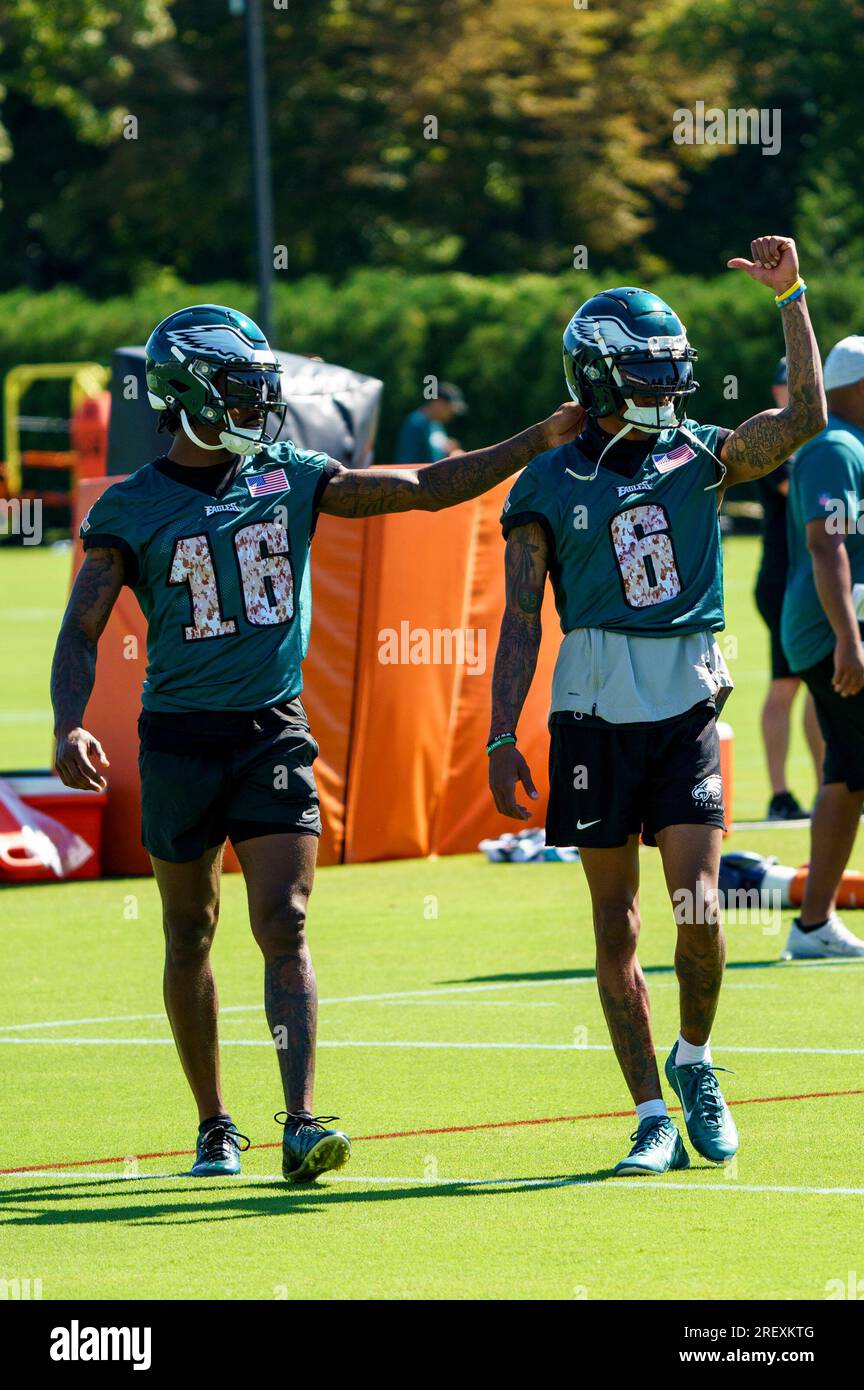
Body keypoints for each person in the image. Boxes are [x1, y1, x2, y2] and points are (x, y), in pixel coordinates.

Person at [50, 303, 584, 1182]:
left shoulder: (291, 475)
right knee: (189, 932)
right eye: (240, 391)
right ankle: (214, 1123)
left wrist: (532, 439)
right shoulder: (133, 507)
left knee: (285, 923)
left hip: (274, 733)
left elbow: (418, 489)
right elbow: (80, 632)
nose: (259, 408)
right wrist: (69, 720)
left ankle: (300, 1121)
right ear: (186, 396)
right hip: (180, 739)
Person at [488, 237, 826, 1176]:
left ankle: (696, 1060)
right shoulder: (548, 481)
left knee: (700, 906)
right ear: (596, 376)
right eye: (641, 370)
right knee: (615, 926)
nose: (661, 387)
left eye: (667, 370)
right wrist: (498, 733)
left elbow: (804, 417)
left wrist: (790, 296)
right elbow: (520, 623)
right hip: (592, 713)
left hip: (683, 706)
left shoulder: (700, 454)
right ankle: (647, 1112)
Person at [779, 335, 864, 960]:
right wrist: (848, 640)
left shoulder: (850, 445)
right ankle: (811, 925)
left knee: (849, 769)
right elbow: (826, 545)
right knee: (851, 768)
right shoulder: (834, 446)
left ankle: (813, 925)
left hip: (842, 627)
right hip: (832, 632)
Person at [755, 357, 824, 819]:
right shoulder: (774, 444)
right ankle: (781, 795)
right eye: (786, 386)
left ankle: (829, 789)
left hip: (809, 580)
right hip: (783, 581)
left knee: (817, 685)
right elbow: (802, 492)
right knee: (786, 685)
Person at [393, 382, 467, 463]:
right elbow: (407, 462)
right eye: (450, 408)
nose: (453, 413)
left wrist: (450, 452)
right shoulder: (416, 423)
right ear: (439, 402)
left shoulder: (437, 424)